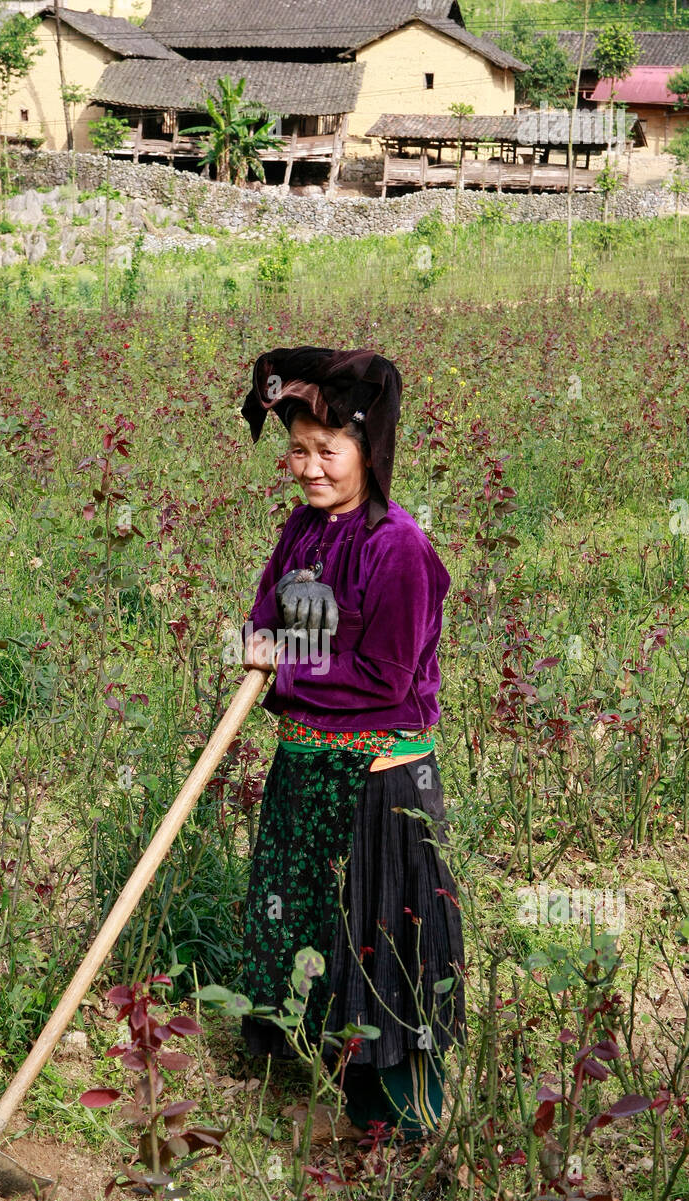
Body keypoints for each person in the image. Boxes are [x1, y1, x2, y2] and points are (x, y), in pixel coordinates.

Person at [236, 346, 466, 1140]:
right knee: (306, 931)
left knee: (382, 951)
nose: (308, 467)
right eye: (297, 450)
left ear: (369, 451)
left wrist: (285, 667)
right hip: (305, 773)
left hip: (378, 782)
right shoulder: (302, 531)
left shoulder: (396, 546)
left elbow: (384, 674)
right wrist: (258, 637)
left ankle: (403, 1134)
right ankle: (301, 1093)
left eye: (327, 451)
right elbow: (269, 610)